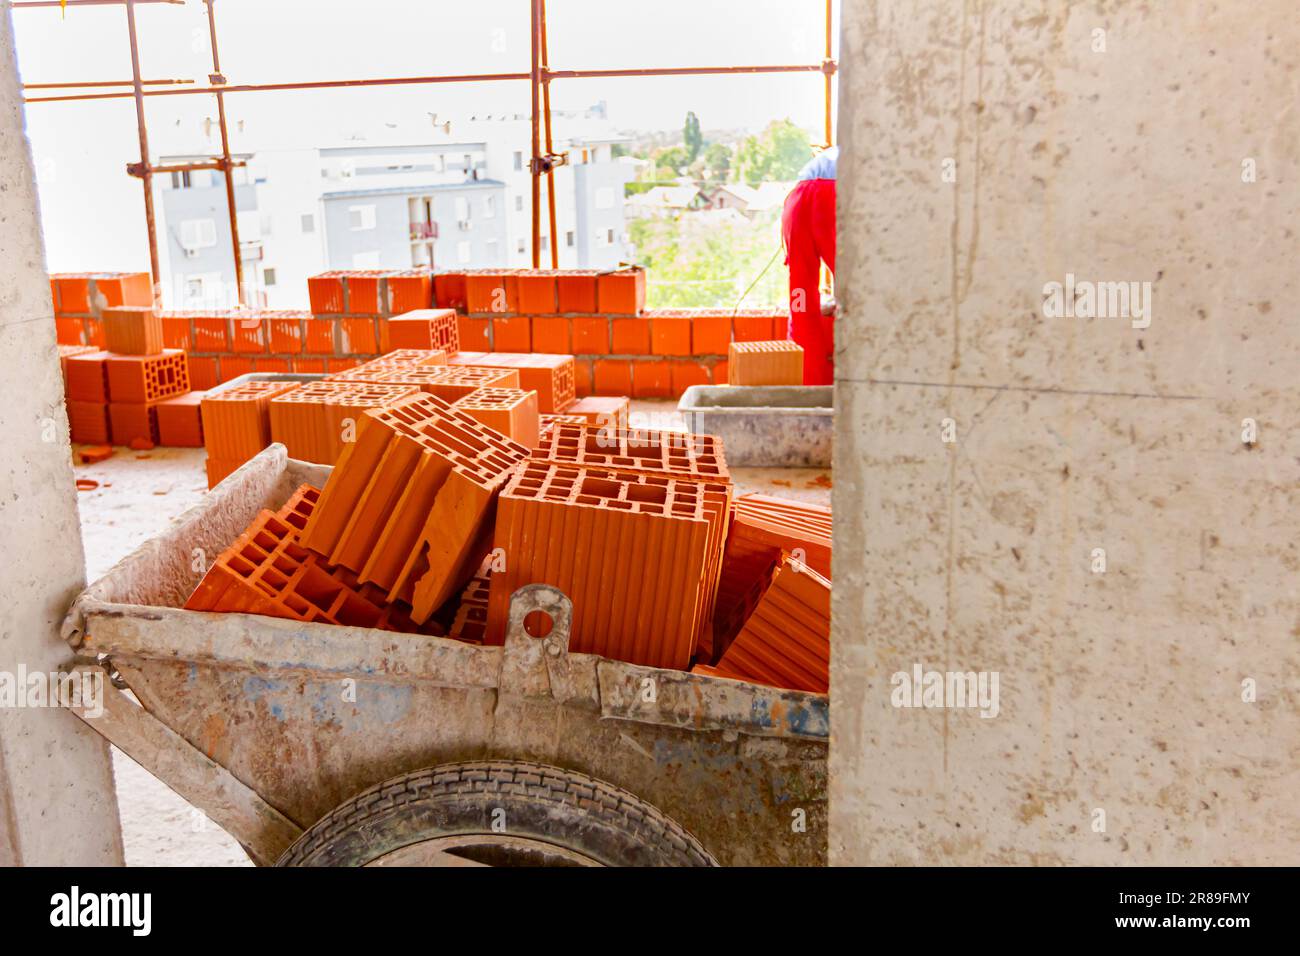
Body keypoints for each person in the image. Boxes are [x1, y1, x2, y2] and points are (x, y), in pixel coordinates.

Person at [781, 145, 837, 385]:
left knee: (801, 299)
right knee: (860, 296)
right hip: (835, 198)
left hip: (798, 199)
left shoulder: (832, 153)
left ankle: (808, 390)